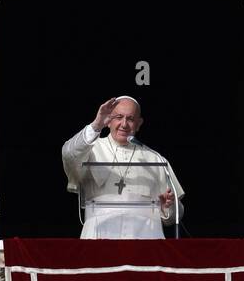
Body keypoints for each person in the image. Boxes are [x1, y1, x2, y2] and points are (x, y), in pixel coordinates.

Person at [61, 96, 185, 239]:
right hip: (99, 236)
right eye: (119, 117)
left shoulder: (155, 159)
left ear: (139, 124)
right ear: (108, 120)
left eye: (130, 119)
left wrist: (168, 206)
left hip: (146, 240)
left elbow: (176, 216)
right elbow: (69, 155)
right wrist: (96, 125)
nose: (124, 124)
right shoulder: (90, 149)